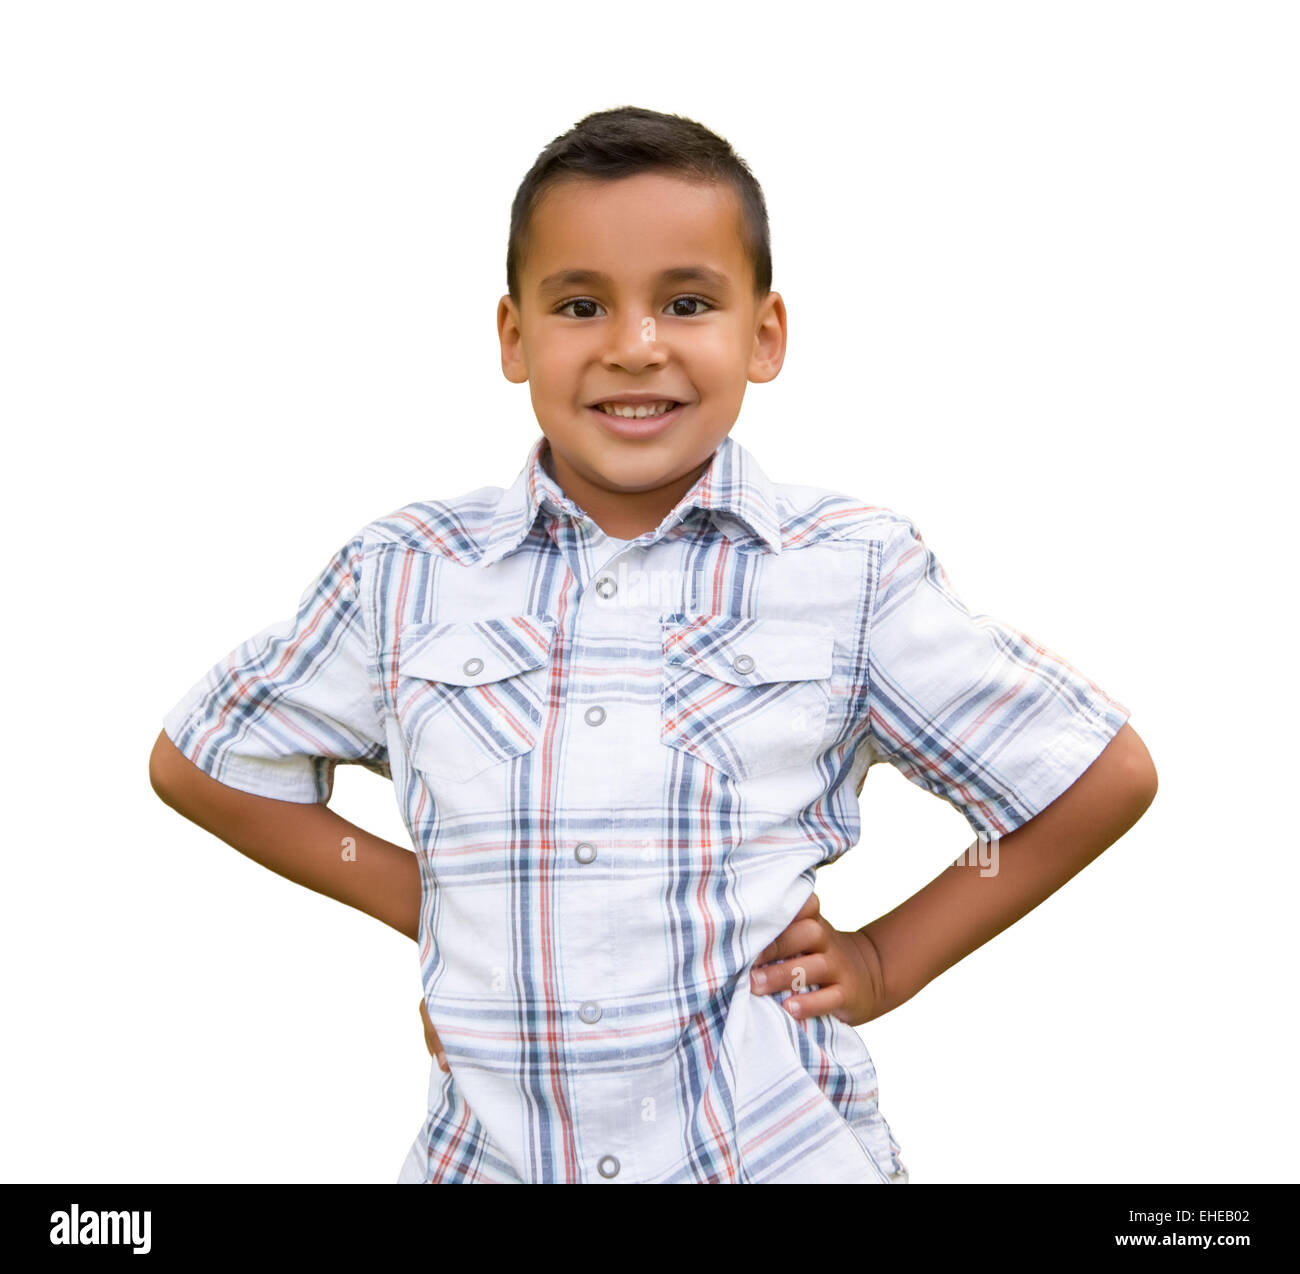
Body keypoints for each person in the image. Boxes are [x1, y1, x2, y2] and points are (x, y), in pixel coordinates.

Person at [149, 105, 1157, 1184]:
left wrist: (884, 956)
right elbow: (209, 759)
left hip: (771, 1152)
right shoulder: (407, 570)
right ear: (513, 335)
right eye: (581, 304)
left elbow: (1090, 777)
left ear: (763, 333)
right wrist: (428, 899)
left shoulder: (849, 571)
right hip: (488, 1159)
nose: (635, 345)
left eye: (686, 301)